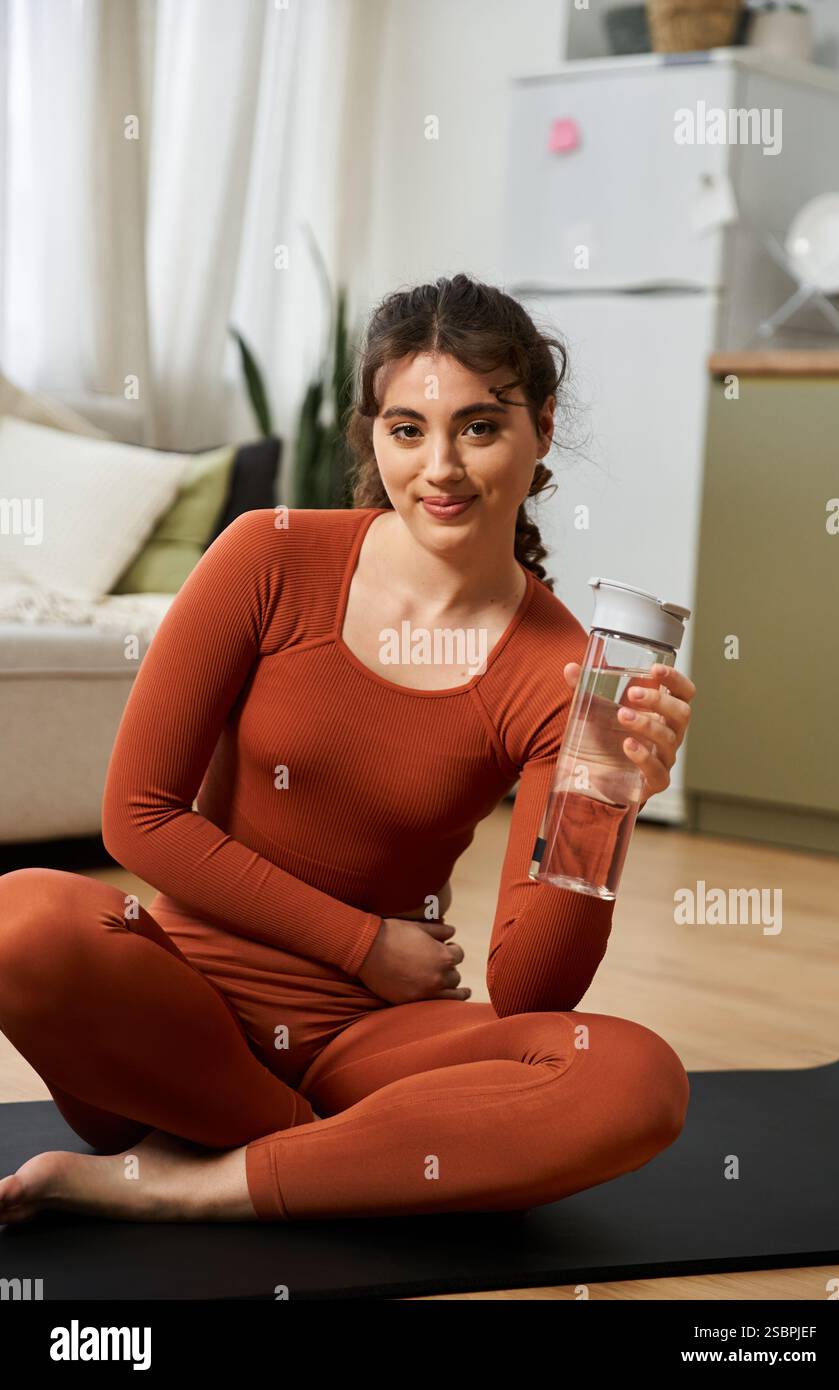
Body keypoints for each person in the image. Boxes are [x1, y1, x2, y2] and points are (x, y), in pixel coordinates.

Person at [0, 274, 695, 1224]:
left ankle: (200, 1184)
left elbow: (536, 990)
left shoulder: (565, 673)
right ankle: (342, 1163)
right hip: (167, 1016)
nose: (440, 467)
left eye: (480, 427)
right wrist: (363, 943)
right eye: (408, 428)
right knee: (20, 919)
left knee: (632, 1078)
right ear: (373, 433)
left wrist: (604, 809)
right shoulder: (268, 557)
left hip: (366, 1050)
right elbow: (139, 817)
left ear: (542, 425)